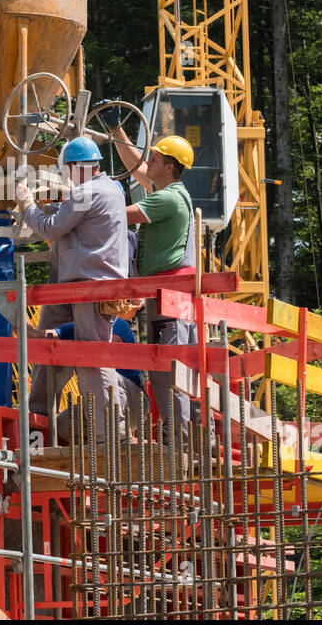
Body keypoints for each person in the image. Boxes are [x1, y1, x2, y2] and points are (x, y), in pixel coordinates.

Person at [15, 136, 129, 443]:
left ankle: (111, 437)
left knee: (92, 359)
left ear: (77, 168)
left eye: (67, 170)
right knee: (47, 353)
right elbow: (74, 216)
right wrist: (51, 203)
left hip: (90, 288)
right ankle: (36, 427)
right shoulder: (108, 190)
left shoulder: (88, 191)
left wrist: (27, 204)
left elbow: (51, 227)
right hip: (75, 286)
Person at [110, 127, 198, 446]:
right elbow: (137, 167)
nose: (149, 160)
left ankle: (179, 444)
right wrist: (115, 130)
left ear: (170, 167)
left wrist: (84, 205)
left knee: (168, 375)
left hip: (171, 299)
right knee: (171, 374)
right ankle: (183, 439)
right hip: (166, 299)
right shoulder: (169, 192)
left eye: (155, 157)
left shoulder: (169, 199)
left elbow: (120, 214)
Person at [47, 298, 148, 435]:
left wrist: (68, 347)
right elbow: (40, 337)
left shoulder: (117, 324)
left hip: (133, 403)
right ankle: (99, 443)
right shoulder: (71, 329)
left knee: (95, 368)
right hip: (99, 404)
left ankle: (120, 435)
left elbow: (105, 353)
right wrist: (18, 321)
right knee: (62, 425)